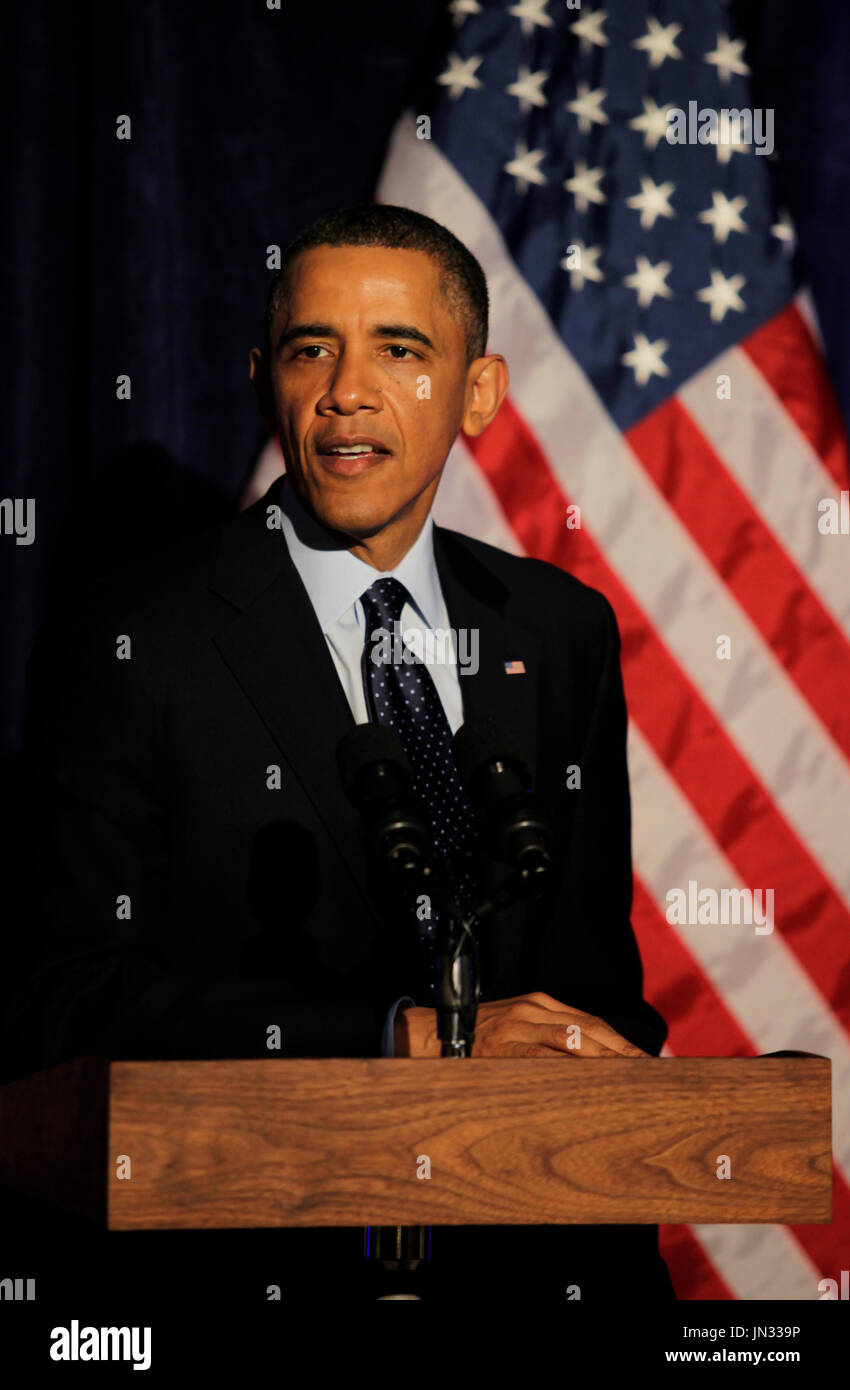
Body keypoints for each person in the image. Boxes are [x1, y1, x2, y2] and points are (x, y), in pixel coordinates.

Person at [9, 203, 675, 1305]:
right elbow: (65, 1001)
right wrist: (397, 1039)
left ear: (478, 390)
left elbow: (590, 995)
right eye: (312, 348)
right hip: (246, 1274)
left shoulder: (556, 630)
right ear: (265, 376)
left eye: (400, 351)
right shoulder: (135, 637)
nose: (346, 391)